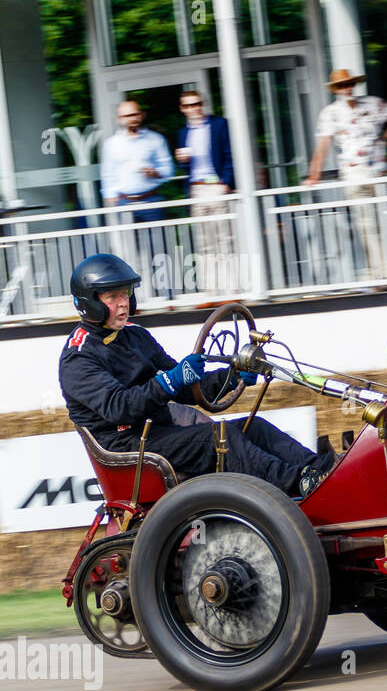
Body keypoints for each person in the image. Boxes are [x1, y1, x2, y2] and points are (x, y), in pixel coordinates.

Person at [58, 254, 333, 497]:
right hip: (128, 449)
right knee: (221, 439)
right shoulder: (78, 357)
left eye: (125, 294)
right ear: (90, 302)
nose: (123, 304)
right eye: (112, 297)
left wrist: (232, 376)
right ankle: (299, 484)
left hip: (158, 432)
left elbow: (187, 388)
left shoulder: (136, 335)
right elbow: (120, 406)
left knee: (255, 427)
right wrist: (170, 380)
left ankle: (322, 472)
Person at [304, 68, 387, 281]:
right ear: (336, 89)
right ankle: (381, 272)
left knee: (384, 221)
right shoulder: (330, 113)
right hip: (353, 174)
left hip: (378, 172)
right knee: (366, 223)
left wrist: (385, 137)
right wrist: (313, 174)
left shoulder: (372, 103)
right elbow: (321, 146)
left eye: (349, 84)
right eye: (342, 86)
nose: (347, 88)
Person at [100, 100, 174, 275]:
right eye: (126, 116)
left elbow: (168, 170)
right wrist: (111, 198)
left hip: (151, 200)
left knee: (160, 249)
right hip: (124, 202)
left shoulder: (155, 140)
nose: (131, 119)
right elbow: (107, 173)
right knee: (129, 253)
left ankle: (168, 296)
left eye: (134, 114)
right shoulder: (111, 144)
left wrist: (155, 173)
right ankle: (138, 296)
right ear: (119, 119)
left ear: (141, 115)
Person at [175, 90, 235, 291]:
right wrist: (182, 161)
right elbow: (185, 168)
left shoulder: (219, 124)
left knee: (224, 239)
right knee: (204, 243)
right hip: (197, 189)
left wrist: (225, 182)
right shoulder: (183, 133)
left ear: (203, 104)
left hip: (216, 186)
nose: (195, 108)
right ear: (183, 109)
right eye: (189, 105)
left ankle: (231, 287)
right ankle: (212, 289)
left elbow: (230, 154)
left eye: (197, 104)